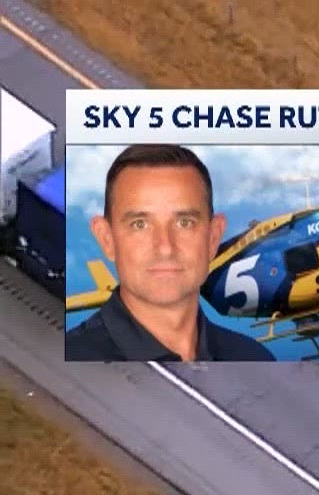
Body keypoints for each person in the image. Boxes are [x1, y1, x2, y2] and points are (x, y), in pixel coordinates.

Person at [65, 143, 275, 362]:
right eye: (140, 224)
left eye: (184, 223)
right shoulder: (74, 356)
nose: (165, 247)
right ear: (107, 239)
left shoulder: (254, 358)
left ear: (213, 238)